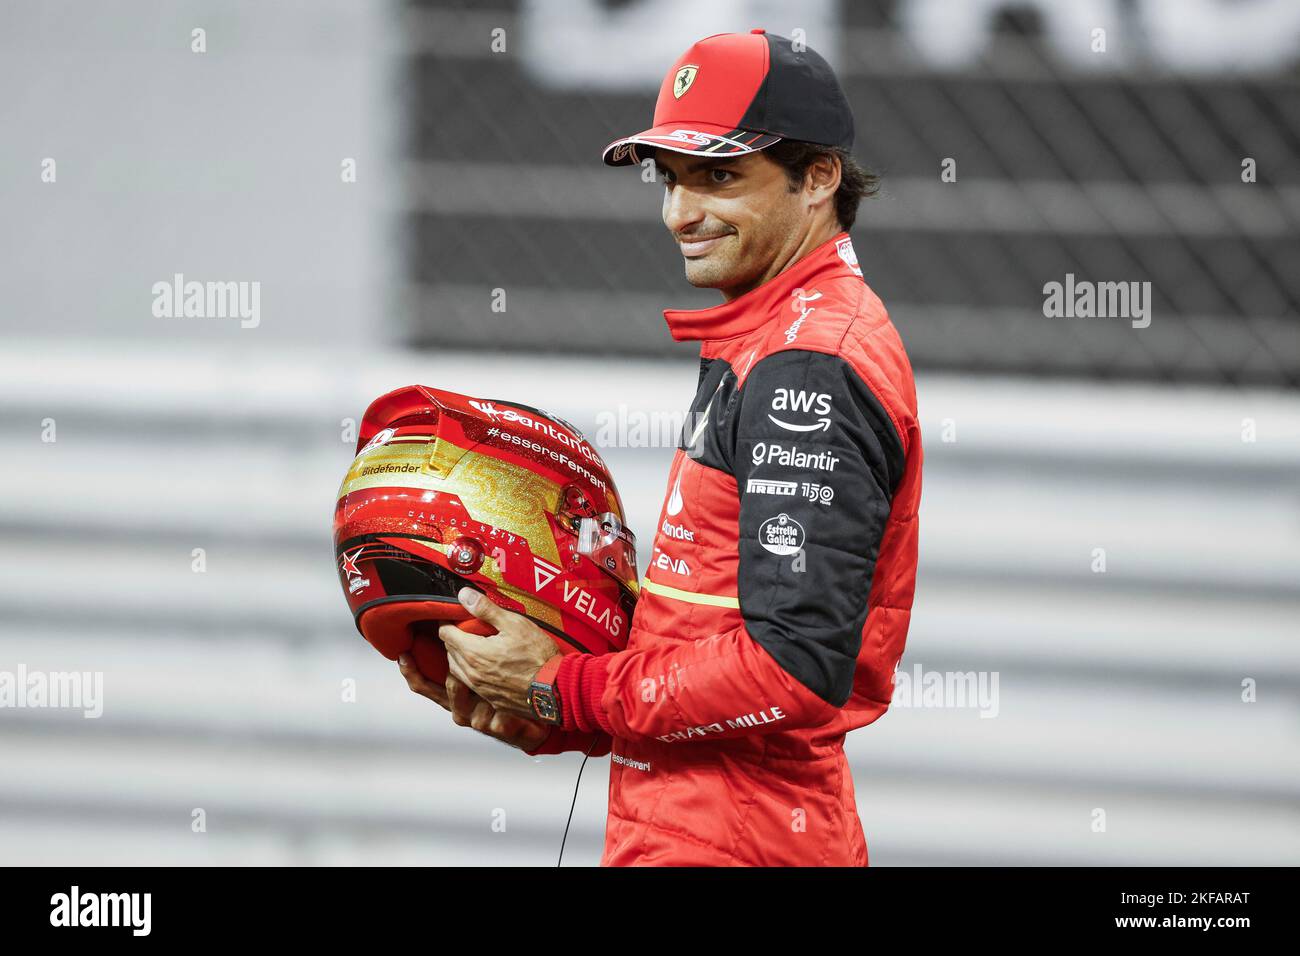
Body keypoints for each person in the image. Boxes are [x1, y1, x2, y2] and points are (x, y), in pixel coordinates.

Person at [399, 29, 923, 866]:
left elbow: (792, 669)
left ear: (819, 176)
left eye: (720, 175)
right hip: (705, 825)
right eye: (670, 179)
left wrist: (563, 683)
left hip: (740, 840)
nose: (680, 212)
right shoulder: (767, 337)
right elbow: (712, 641)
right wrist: (552, 706)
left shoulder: (809, 365)